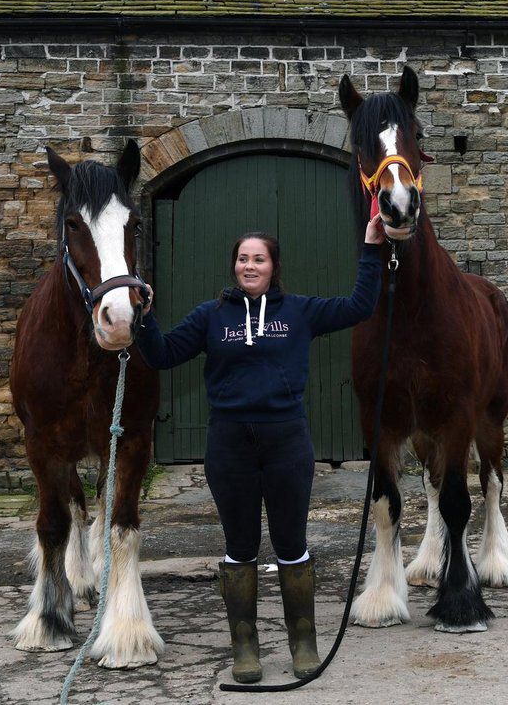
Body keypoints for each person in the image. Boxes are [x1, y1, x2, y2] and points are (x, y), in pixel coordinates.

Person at [137, 216, 385, 683]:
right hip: (229, 446)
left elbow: (360, 305)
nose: (249, 266)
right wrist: (145, 317)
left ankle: (303, 641)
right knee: (240, 547)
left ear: (273, 266)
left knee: (292, 544)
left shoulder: (300, 312)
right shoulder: (210, 317)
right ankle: (245, 647)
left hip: (287, 442)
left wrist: (372, 247)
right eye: (243, 259)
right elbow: (163, 354)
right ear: (234, 266)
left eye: (259, 259)